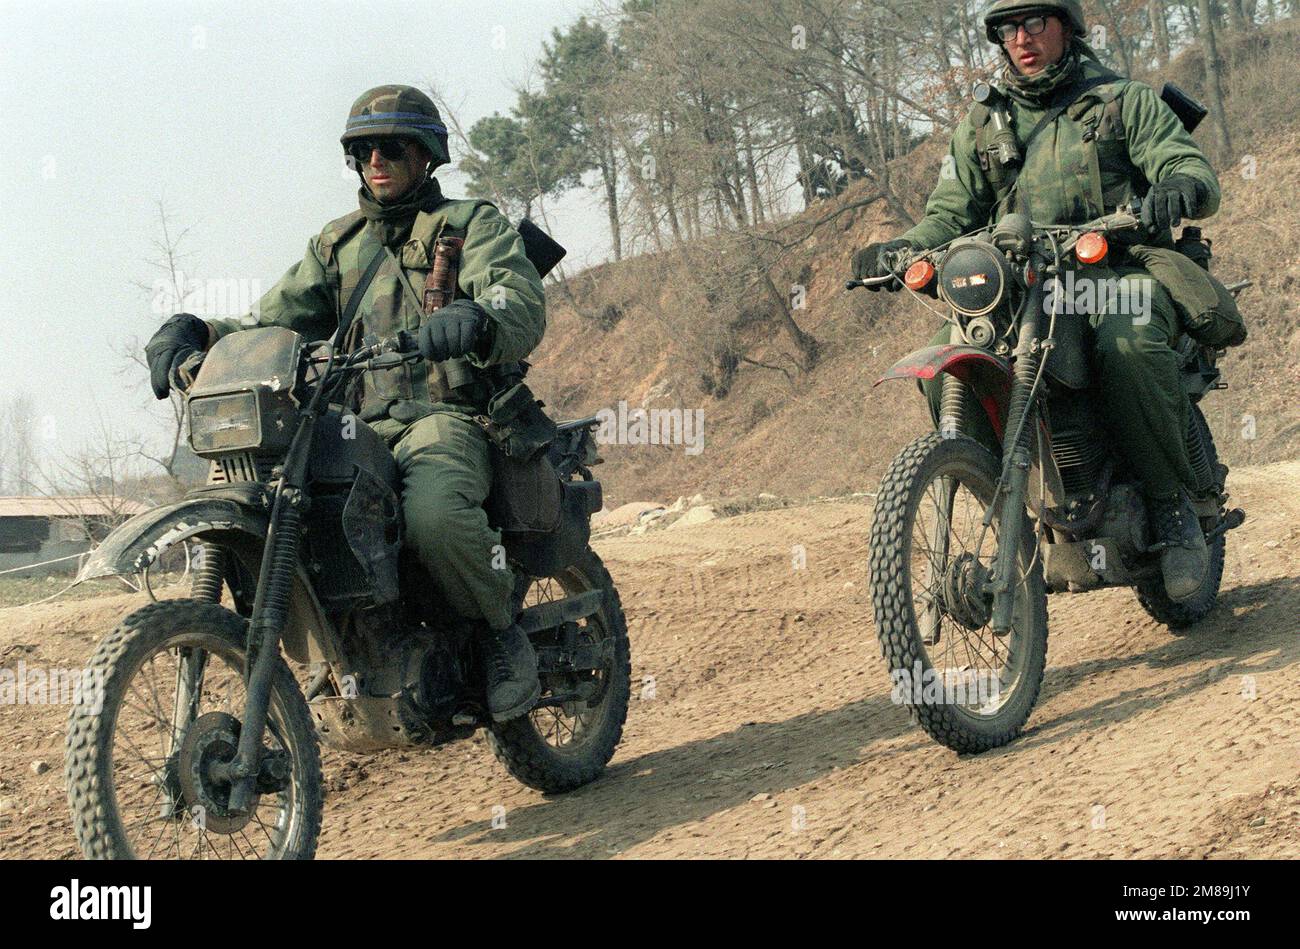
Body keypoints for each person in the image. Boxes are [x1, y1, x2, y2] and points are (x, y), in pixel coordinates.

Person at [144, 84, 546, 720]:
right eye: (363, 150)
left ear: (427, 155)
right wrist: (198, 332)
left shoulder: (470, 224)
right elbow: (269, 323)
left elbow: (517, 300)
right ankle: (347, 650)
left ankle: (502, 631)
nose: (375, 161)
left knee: (435, 515)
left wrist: (474, 318)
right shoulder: (337, 245)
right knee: (291, 513)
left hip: (445, 419)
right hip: (357, 427)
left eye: (391, 147)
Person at [853, 1, 1222, 602]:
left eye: (1034, 23)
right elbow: (949, 214)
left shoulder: (1121, 101)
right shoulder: (983, 124)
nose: (1020, 38)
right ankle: (1006, 517)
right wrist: (900, 249)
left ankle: (1172, 505)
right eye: (1007, 28)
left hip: (1112, 271)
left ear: (1066, 27)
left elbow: (1184, 164)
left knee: (1126, 344)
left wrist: (1177, 187)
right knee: (945, 364)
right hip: (1017, 286)